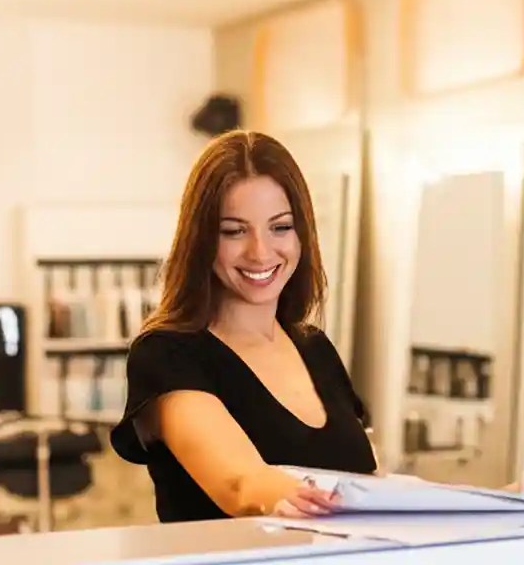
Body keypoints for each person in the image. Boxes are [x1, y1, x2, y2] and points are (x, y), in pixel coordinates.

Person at [110, 130, 377, 523]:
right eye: (234, 231)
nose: (260, 251)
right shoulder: (167, 355)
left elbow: (368, 481)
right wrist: (307, 498)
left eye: (280, 227)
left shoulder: (314, 347)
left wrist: (471, 502)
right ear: (201, 239)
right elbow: (240, 485)